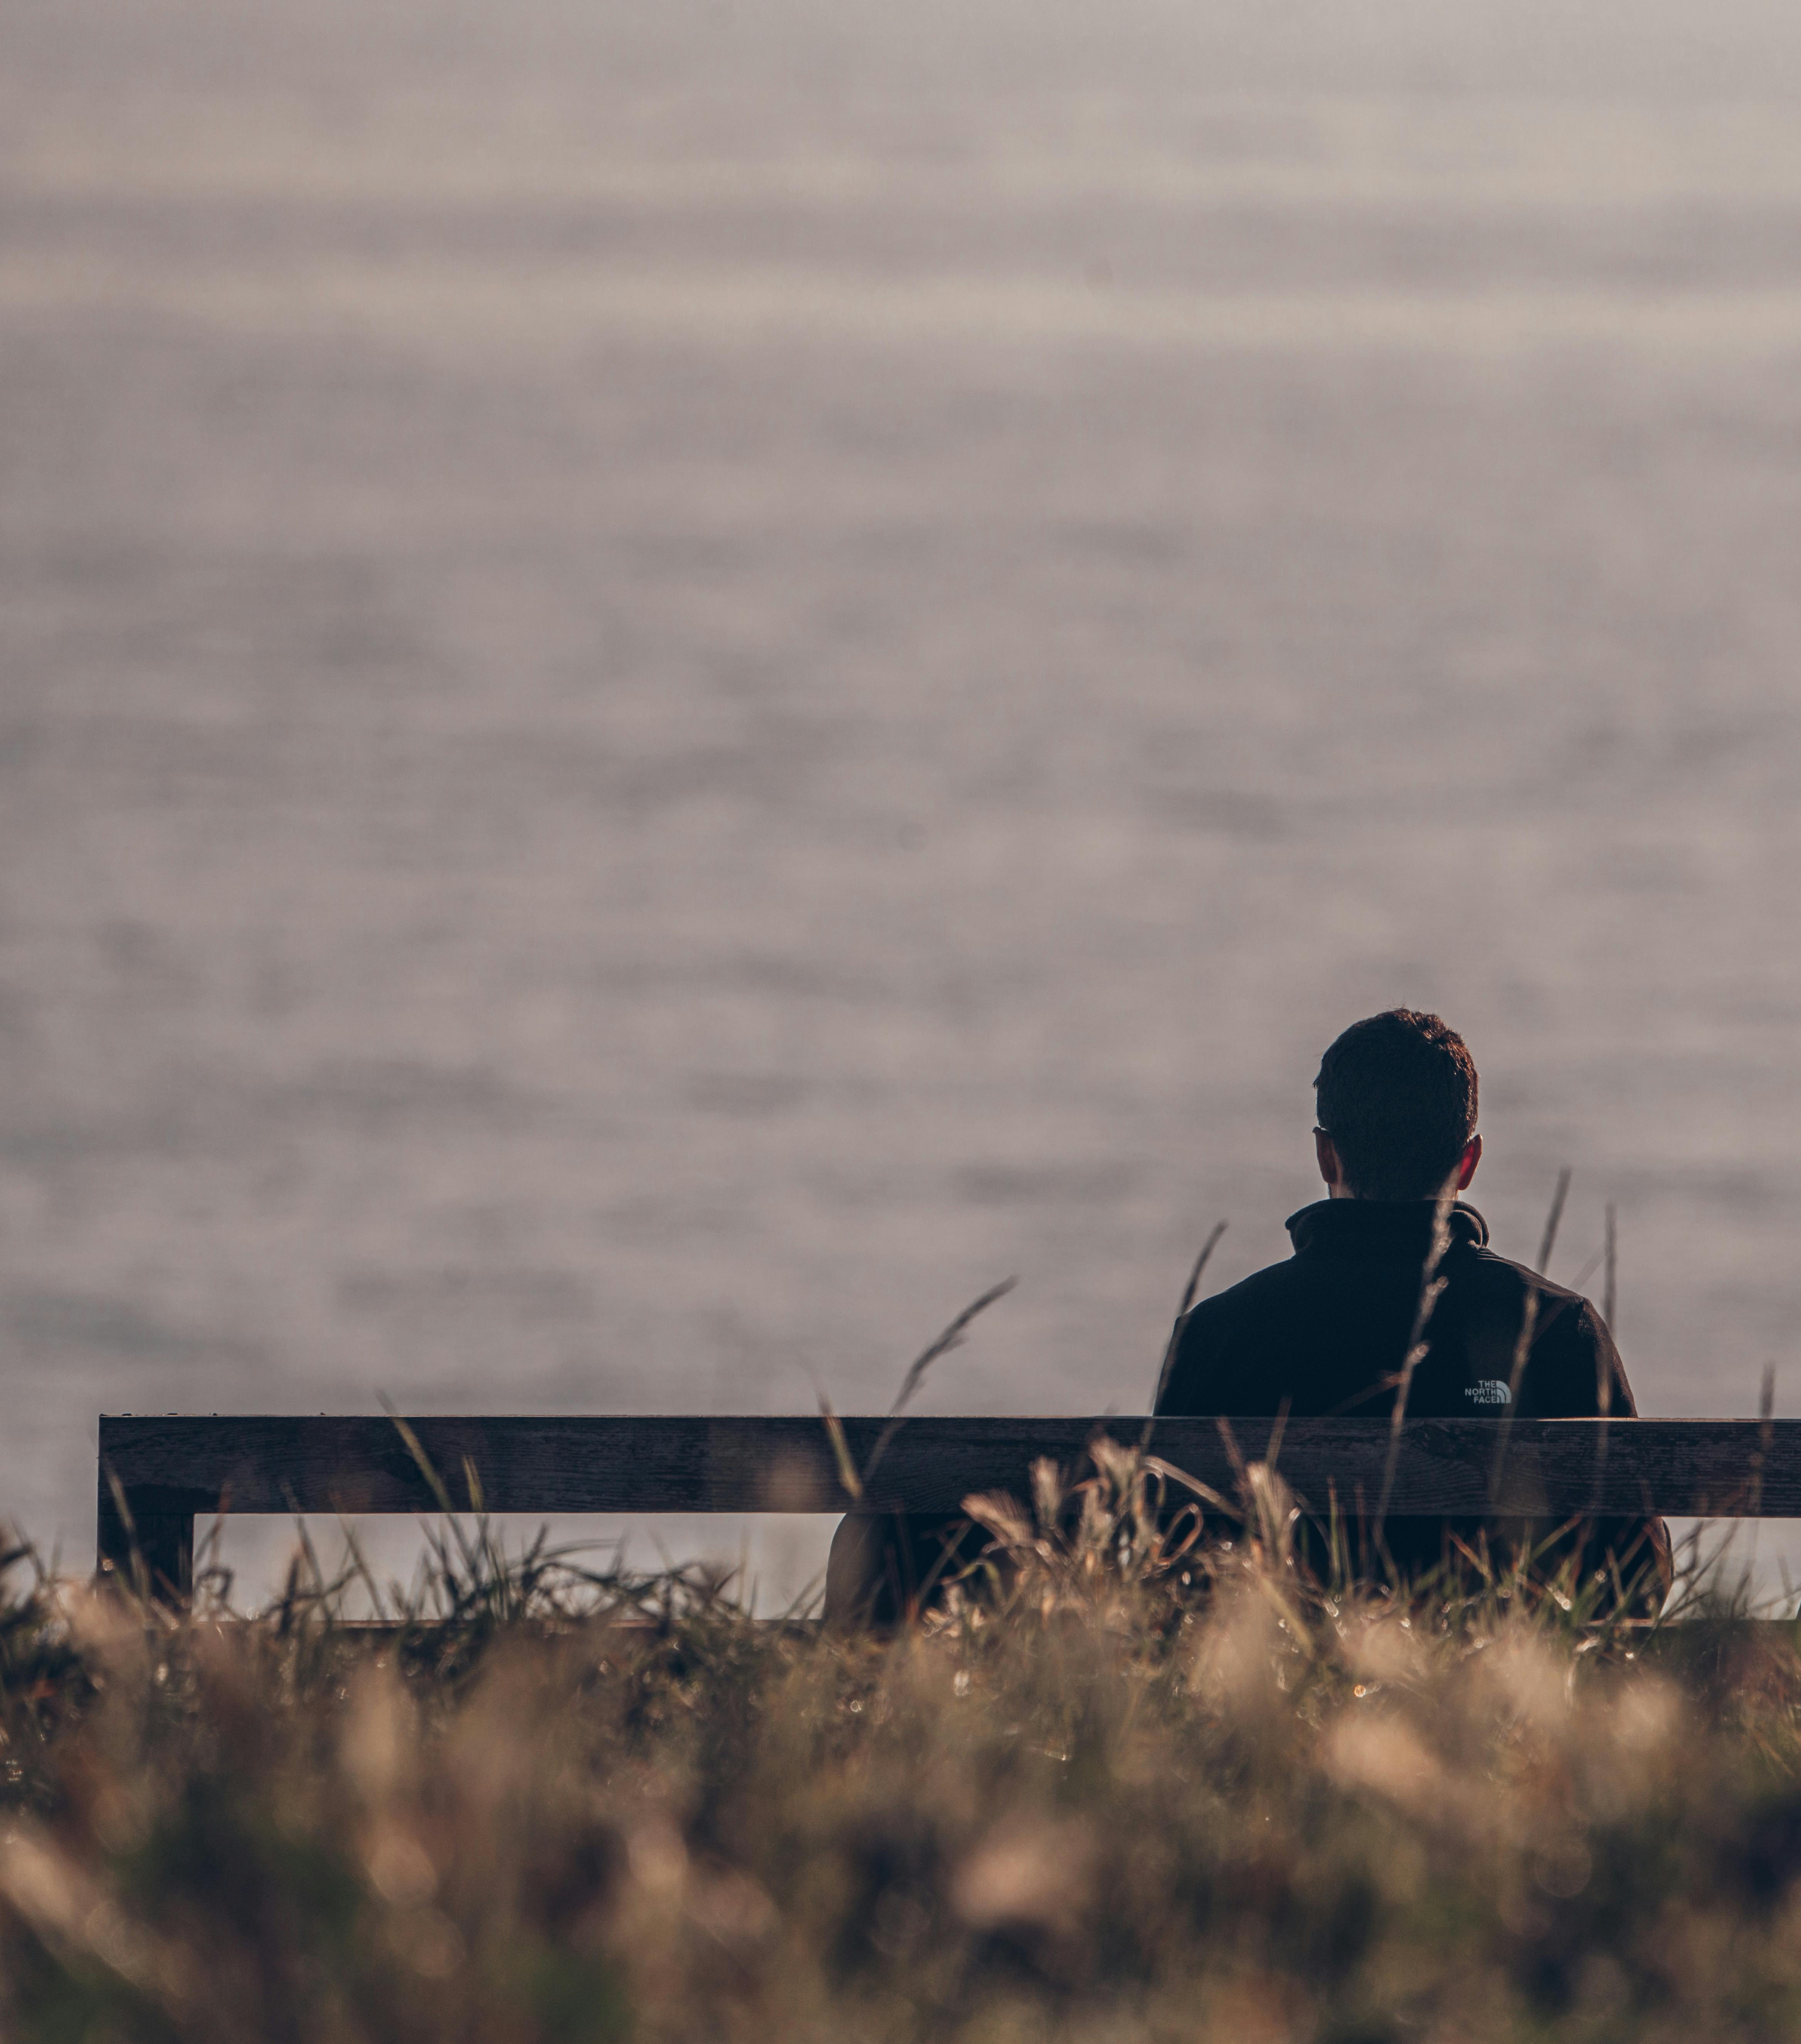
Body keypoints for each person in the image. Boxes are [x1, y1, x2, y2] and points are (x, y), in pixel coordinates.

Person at [1157, 1008, 1670, 1598]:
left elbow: (1169, 1562)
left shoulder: (1218, 1335)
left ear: (1326, 1155)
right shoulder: (1557, 1329)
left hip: (1270, 1677)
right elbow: (1639, 1577)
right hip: (1501, 1684)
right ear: (1468, 1162)